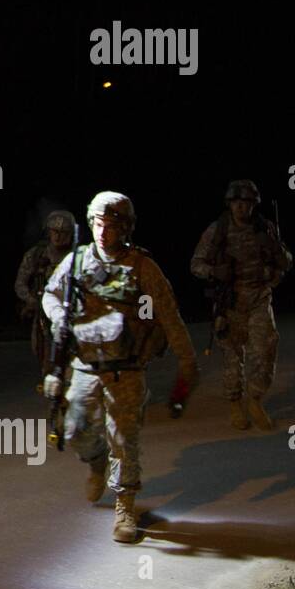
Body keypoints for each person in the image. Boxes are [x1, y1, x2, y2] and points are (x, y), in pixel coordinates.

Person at [43, 192, 199, 543]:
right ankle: (96, 462)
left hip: (126, 369)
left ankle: (125, 506)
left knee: (124, 440)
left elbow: (170, 318)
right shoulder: (77, 261)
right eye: (98, 224)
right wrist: (59, 321)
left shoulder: (142, 267)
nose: (103, 233)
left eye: (111, 227)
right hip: (85, 365)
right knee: (73, 431)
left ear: (125, 229)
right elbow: (50, 295)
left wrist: (187, 363)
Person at [190, 180, 292, 431]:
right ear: (229, 204)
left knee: (266, 348)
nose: (241, 208)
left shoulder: (265, 228)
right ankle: (236, 405)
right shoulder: (218, 231)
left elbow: (286, 262)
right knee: (234, 358)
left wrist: (278, 252)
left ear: (253, 205)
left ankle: (255, 399)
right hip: (230, 303)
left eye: (246, 203)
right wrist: (215, 271)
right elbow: (196, 265)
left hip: (259, 297)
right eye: (237, 203)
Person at [14, 210, 76, 372]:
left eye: (63, 232)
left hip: (72, 312)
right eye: (55, 231)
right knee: (43, 350)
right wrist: (31, 300)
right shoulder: (36, 255)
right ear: (48, 232)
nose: (58, 236)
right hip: (42, 313)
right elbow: (20, 283)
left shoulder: (79, 257)